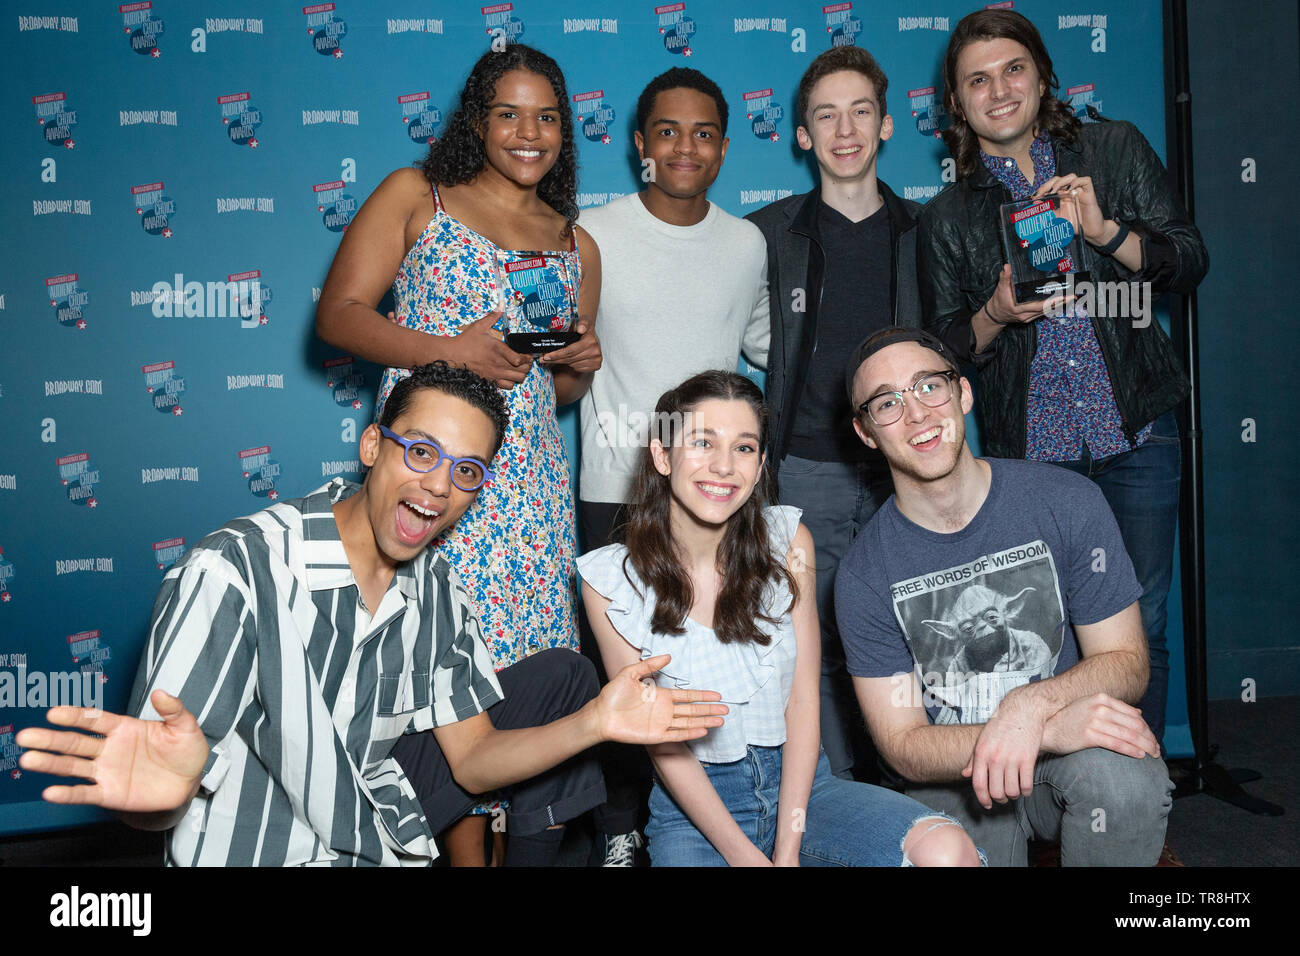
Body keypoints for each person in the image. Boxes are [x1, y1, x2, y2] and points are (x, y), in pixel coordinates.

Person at [14, 363, 727, 867]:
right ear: (371, 446)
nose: (438, 485)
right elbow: (161, 784)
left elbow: (474, 764)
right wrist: (159, 802)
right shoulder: (234, 570)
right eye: (420, 451)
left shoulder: (439, 586)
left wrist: (596, 722)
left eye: (467, 470)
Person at [315, 44, 601, 860]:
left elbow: (557, 394)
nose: (527, 131)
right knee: (439, 692)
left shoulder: (571, 241)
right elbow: (338, 315)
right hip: (438, 484)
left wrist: (579, 366)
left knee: (528, 685)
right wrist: (449, 349)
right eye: (507, 112)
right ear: (478, 119)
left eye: (546, 116)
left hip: (531, 497)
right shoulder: (418, 195)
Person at [918, 8, 1209, 746]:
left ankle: (1137, 798)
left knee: (1141, 622)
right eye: (976, 80)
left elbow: (1189, 260)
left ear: (1042, 75)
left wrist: (1106, 232)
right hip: (1036, 457)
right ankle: (1063, 803)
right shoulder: (948, 215)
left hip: (1137, 431)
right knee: (1048, 639)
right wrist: (997, 313)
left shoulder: (1112, 150)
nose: (999, 90)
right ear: (956, 103)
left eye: (1013, 69)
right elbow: (947, 349)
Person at [578, 370, 981, 867]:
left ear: (761, 462)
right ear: (663, 455)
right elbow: (664, 749)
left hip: (805, 788)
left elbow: (803, 700)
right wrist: (747, 857)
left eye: (744, 448)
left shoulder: (788, 543)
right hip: (698, 810)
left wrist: (788, 847)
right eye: (703, 442)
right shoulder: (609, 581)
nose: (724, 466)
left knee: (947, 852)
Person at [837, 328, 1174, 866]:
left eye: (929, 386)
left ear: (964, 394)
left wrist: (1031, 710)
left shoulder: (1067, 501)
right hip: (956, 774)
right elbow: (902, 745)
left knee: (1127, 782)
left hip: (1064, 758)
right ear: (866, 432)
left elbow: (1129, 663)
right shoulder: (862, 574)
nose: (917, 413)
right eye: (887, 403)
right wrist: (1036, 728)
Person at [575, 66, 769, 864]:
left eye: (702, 133)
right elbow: (561, 354)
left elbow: (764, 345)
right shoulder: (592, 234)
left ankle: (718, 821)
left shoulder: (748, 242)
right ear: (639, 145)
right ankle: (621, 829)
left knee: (710, 665)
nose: (684, 147)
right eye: (667, 131)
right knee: (626, 678)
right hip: (613, 493)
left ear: (723, 148)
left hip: (713, 498)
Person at [746, 46, 922, 781]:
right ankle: (833, 806)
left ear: (886, 125)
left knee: (912, 639)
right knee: (808, 647)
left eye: (860, 112)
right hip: (805, 471)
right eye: (826, 115)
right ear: (801, 135)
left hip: (905, 473)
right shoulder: (766, 233)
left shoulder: (926, 230)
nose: (844, 130)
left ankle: (914, 803)